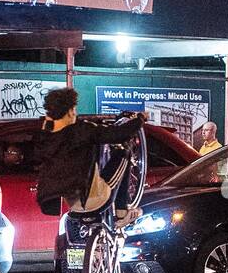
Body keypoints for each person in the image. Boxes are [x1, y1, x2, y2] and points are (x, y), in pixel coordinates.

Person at [34, 88, 145, 224]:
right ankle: (122, 211)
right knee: (123, 153)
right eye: (74, 109)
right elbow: (119, 134)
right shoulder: (81, 131)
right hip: (97, 201)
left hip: (71, 207)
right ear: (70, 111)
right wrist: (140, 119)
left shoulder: (45, 138)